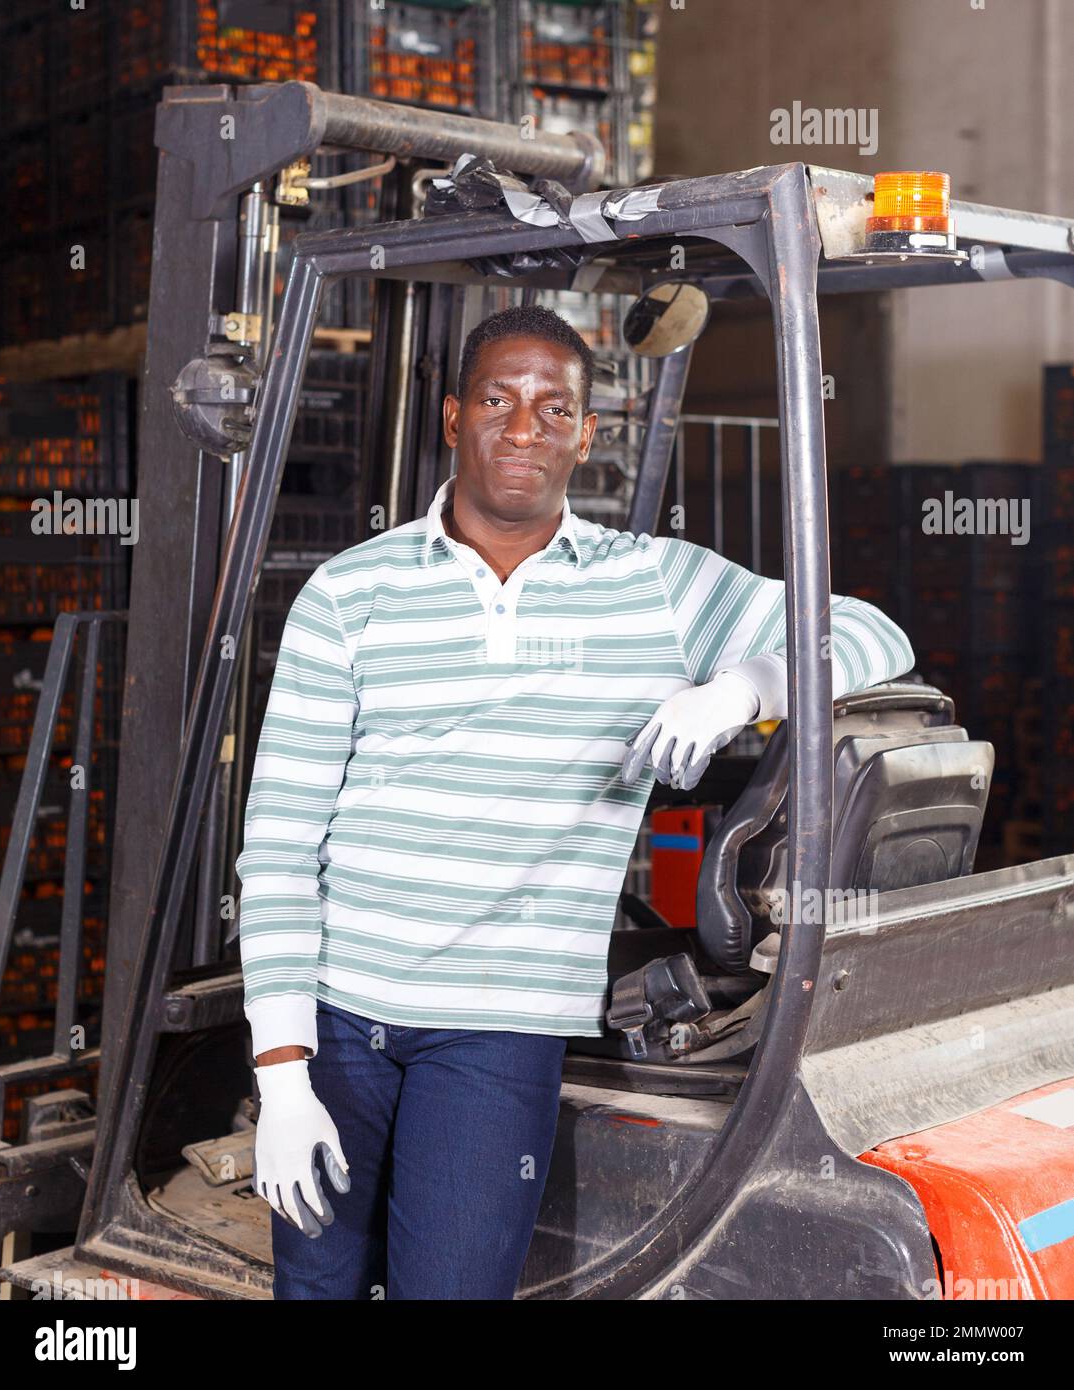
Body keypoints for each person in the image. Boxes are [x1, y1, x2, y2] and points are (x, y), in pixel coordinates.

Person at [236, 304, 915, 1300]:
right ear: (453, 416)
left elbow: (866, 632)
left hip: (495, 1032)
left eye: (556, 408)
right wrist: (282, 1074)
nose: (524, 428)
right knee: (316, 1287)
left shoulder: (653, 589)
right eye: (500, 400)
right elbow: (283, 847)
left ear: (588, 434)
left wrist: (743, 688)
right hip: (338, 1019)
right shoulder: (352, 593)